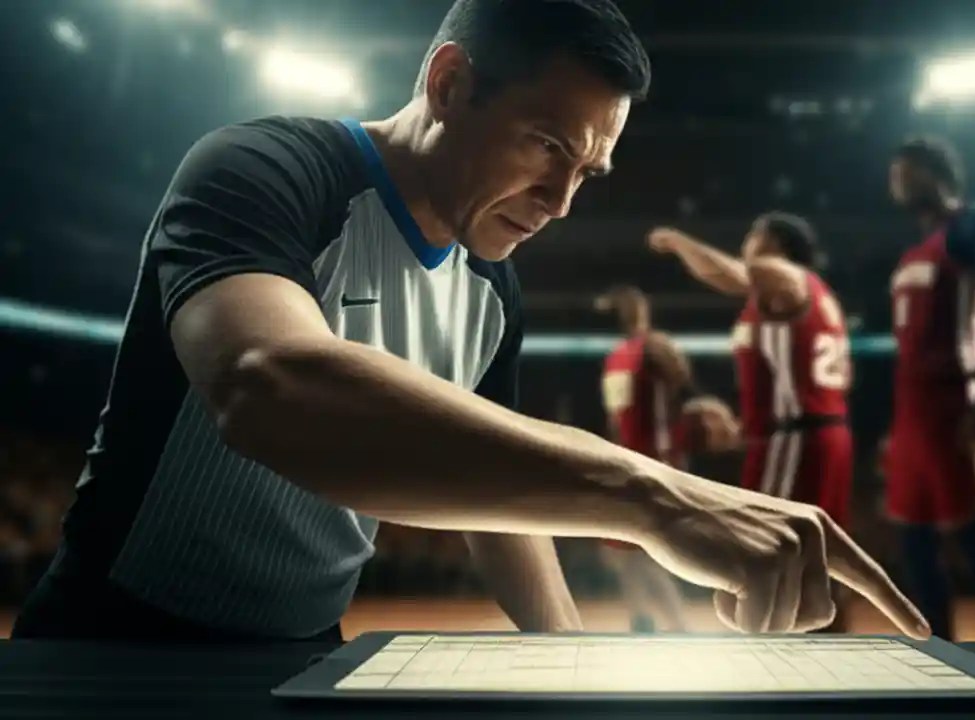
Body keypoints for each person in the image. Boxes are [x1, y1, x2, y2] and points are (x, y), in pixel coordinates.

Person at [13, 0, 927, 643]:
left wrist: (567, 662)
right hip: (116, 634)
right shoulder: (261, 168)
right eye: (548, 145)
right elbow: (264, 384)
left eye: (589, 172)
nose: (563, 201)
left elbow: (500, 511)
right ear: (449, 82)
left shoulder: (495, 287)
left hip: (303, 644)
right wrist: (652, 493)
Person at [648, 213, 860, 633]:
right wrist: (749, 424)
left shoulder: (781, 274)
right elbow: (843, 376)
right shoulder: (813, 295)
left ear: (774, 244)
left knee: (766, 547)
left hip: (796, 437)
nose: (746, 245)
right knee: (816, 555)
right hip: (816, 431)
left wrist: (677, 241)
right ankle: (829, 650)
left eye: (752, 236)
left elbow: (723, 274)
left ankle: (775, 651)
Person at [886, 137, 975, 641]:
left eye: (905, 169)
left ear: (935, 171)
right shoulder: (910, 251)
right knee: (914, 549)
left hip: (959, 406)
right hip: (913, 418)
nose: (896, 179)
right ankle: (938, 664)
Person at [594, 285, 736, 633]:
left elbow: (622, 416)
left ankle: (669, 623)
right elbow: (679, 379)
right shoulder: (639, 352)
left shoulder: (626, 355)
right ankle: (647, 619)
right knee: (627, 551)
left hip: (645, 461)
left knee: (640, 551)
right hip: (643, 460)